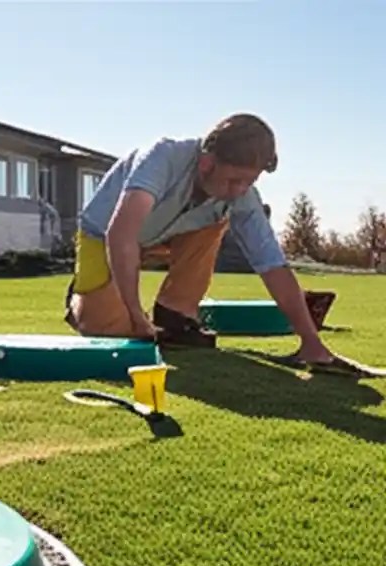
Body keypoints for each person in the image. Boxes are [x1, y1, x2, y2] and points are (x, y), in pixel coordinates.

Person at [63, 112, 362, 372]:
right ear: (206, 163)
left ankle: (175, 315)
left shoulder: (242, 197)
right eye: (234, 180)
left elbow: (273, 267)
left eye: (250, 182)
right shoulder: (162, 157)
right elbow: (120, 234)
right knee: (107, 329)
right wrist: (135, 316)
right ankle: (80, 302)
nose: (240, 190)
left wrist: (311, 342)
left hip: (164, 236)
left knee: (219, 220)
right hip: (103, 236)